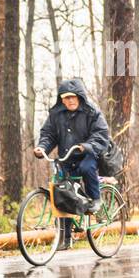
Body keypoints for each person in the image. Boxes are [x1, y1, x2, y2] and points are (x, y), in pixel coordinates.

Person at [33, 79, 112, 214]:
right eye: (66, 98)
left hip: (88, 154)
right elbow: (48, 134)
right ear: (62, 100)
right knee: (64, 193)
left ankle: (95, 199)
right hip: (67, 157)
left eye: (73, 97)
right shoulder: (56, 115)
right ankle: (66, 234)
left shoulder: (92, 113)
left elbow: (101, 134)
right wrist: (42, 148)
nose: (70, 101)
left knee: (86, 168)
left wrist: (86, 146)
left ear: (80, 97)